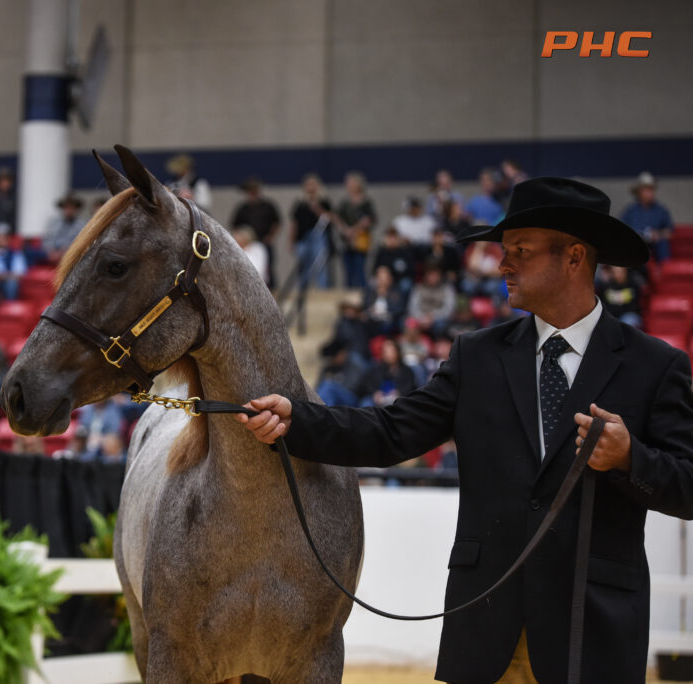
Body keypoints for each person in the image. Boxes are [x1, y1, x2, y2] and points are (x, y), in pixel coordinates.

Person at [237, 177, 693, 683]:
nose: (502, 265)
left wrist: (632, 459)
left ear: (574, 257)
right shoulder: (476, 356)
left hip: (594, 632)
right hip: (486, 629)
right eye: (504, 251)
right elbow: (391, 432)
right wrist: (297, 419)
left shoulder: (656, 366)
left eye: (520, 250)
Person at [230, 177, 281, 286]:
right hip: (247, 243)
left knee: (267, 268)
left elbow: (276, 222)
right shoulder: (243, 208)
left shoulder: (268, 206)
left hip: (264, 240)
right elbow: (235, 226)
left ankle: (271, 290)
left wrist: (270, 237)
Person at [333, 172, 376, 289]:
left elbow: (370, 220)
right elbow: (337, 218)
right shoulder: (344, 203)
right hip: (346, 241)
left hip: (360, 241)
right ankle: (349, 295)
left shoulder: (366, 203)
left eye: (351, 183)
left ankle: (363, 295)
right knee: (348, 272)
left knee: (360, 269)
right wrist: (345, 230)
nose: (349, 186)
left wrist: (355, 230)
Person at [620, 171, 674, 263]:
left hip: (654, 246)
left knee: (662, 243)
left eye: (652, 189)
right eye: (647, 189)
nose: (650, 193)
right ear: (639, 191)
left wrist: (658, 234)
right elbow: (621, 229)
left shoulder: (661, 210)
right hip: (635, 245)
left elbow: (670, 232)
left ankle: (663, 270)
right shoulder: (630, 210)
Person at [290, 173, 333, 289]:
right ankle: (302, 290)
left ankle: (322, 289)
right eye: (308, 185)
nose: (310, 187)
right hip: (302, 238)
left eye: (313, 184)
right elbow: (294, 222)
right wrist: (291, 240)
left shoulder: (324, 201)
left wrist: (316, 208)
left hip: (319, 236)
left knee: (320, 265)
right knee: (303, 265)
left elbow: (330, 217)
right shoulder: (299, 203)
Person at [407, 261, 456, 337]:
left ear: (440, 275)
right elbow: (412, 308)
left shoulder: (447, 289)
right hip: (420, 318)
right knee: (407, 323)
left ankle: (439, 345)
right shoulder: (418, 288)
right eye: (430, 274)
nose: (433, 277)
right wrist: (422, 318)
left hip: (438, 319)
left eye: (436, 274)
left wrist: (433, 317)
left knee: (441, 325)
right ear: (426, 275)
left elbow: (449, 310)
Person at [43, 193, 86, 263]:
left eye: (72, 208)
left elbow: (81, 243)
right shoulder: (53, 222)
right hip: (52, 253)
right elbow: (47, 239)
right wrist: (50, 251)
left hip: (72, 254)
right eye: (66, 207)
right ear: (63, 209)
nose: (69, 210)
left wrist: (64, 252)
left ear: (76, 209)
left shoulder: (81, 224)